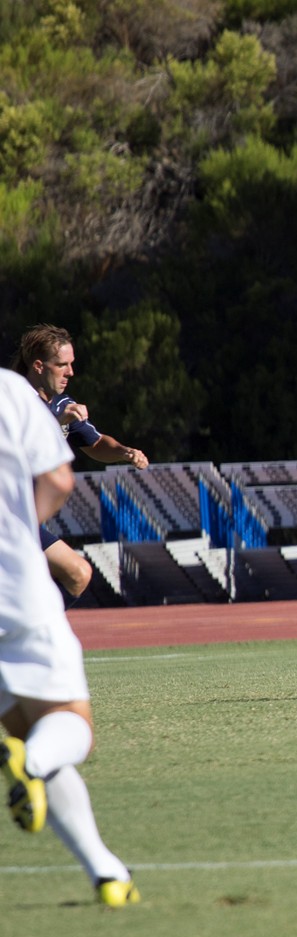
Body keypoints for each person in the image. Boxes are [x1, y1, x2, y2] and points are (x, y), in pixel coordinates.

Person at [0, 368, 140, 907]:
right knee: (67, 726)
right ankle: (25, 763)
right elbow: (59, 481)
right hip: (16, 588)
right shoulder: (12, 392)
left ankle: (106, 873)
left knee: (30, 729)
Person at [13, 324, 149, 601]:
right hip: (8, 517)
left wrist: (124, 451)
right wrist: (58, 425)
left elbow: (96, 444)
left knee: (73, 576)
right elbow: (20, 450)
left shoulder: (61, 405)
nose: (70, 373)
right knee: (75, 574)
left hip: (21, 519)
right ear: (39, 366)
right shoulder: (13, 401)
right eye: (62, 365)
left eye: (71, 364)